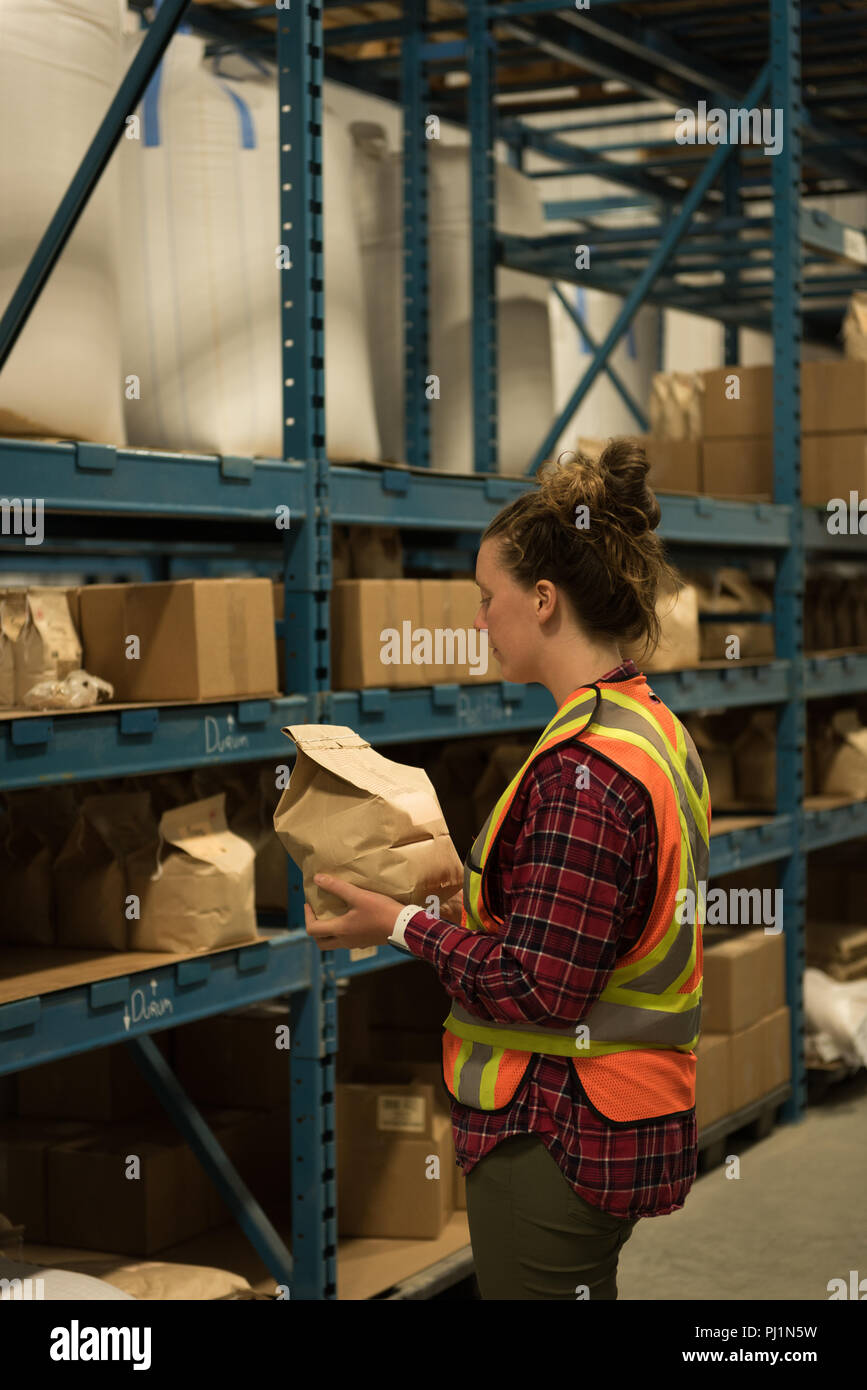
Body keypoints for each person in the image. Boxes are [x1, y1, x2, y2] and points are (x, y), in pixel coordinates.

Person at [305, 440, 710, 1301]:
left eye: (487, 599)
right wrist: (473, 906)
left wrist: (402, 926)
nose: (480, 619)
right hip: (618, 1108)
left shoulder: (583, 770)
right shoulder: (645, 728)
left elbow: (540, 989)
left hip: (560, 1122)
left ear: (543, 599)